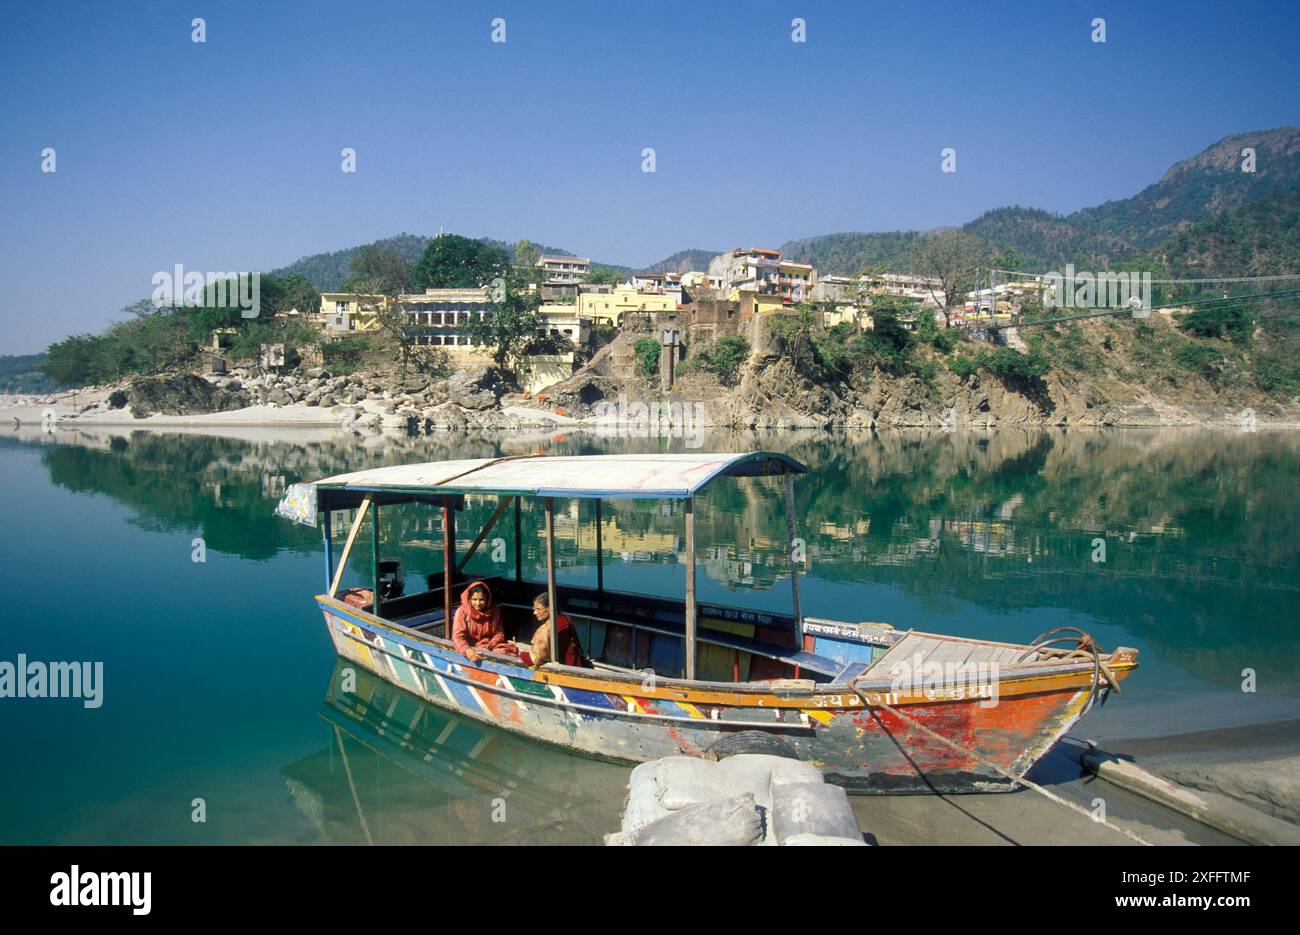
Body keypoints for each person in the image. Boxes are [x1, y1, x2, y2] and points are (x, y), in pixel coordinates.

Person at [452, 581, 516, 664]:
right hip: (470, 648)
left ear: (487, 599)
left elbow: (499, 633)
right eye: (474, 600)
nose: (478, 603)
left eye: (481, 600)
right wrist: (467, 650)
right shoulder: (462, 612)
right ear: (469, 599)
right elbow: (457, 637)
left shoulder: (494, 610)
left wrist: (489, 646)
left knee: (507, 653)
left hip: (489, 647)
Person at [524, 591, 586, 668]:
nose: (535, 612)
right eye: (534, 609)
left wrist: (520, 654)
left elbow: (537, 659)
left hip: (563, 669)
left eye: (538, 609)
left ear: (550, 608)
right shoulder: (565, 618)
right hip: (574, 664)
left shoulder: (547, 628)